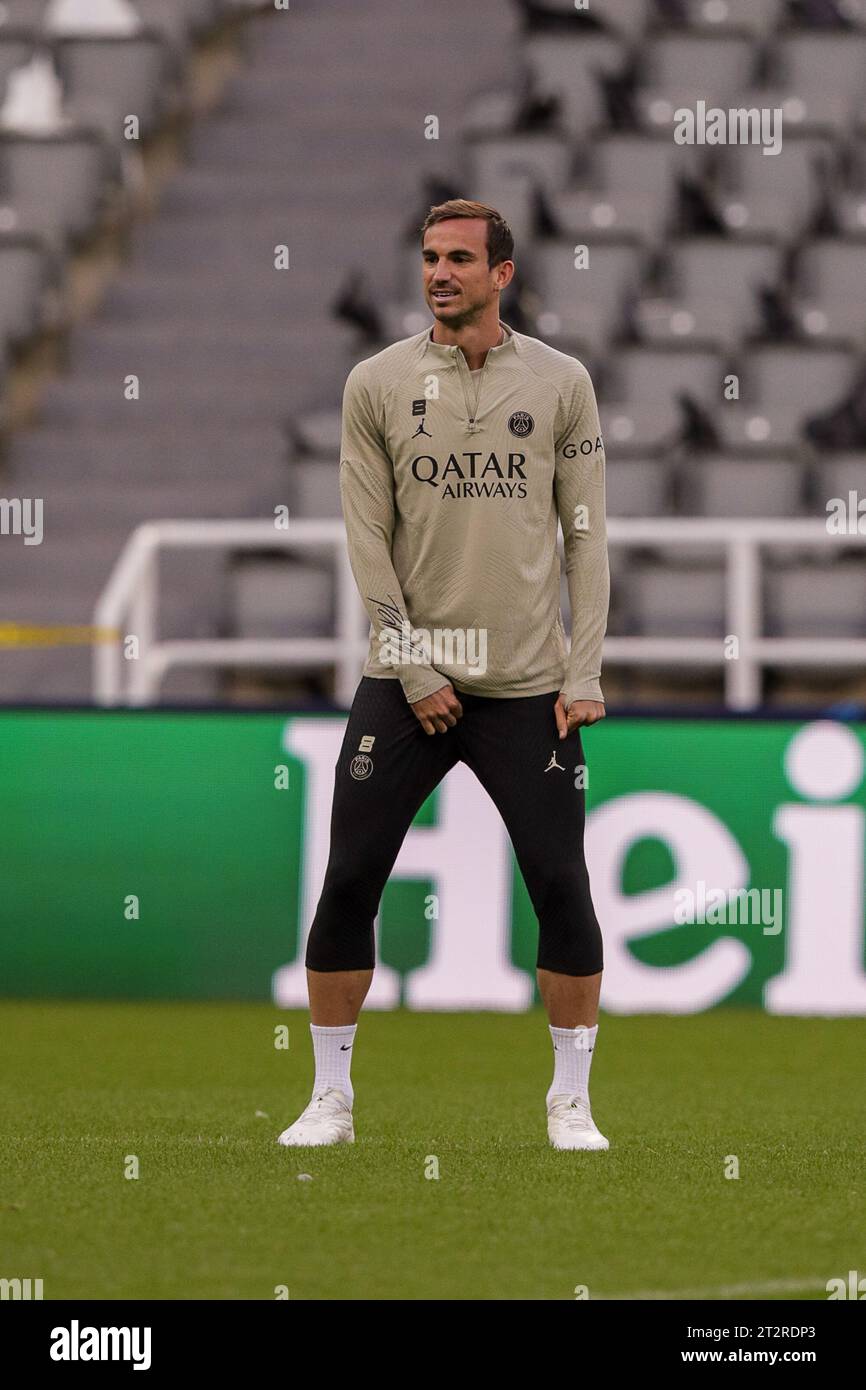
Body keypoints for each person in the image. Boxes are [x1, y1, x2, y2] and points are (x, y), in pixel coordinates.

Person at [278, 199, 610, 1152]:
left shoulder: (562, 383)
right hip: (407, 679)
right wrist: (413, 663)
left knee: (561, 886)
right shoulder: (375, 382)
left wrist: (581, 668)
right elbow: (365, 542)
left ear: (502, 273)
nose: (439, 272)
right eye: (429, 257)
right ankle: (330, 1100)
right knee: (347, 883)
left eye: (460, 258)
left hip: (527, 684)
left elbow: (587, 539)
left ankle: (571, 1102)